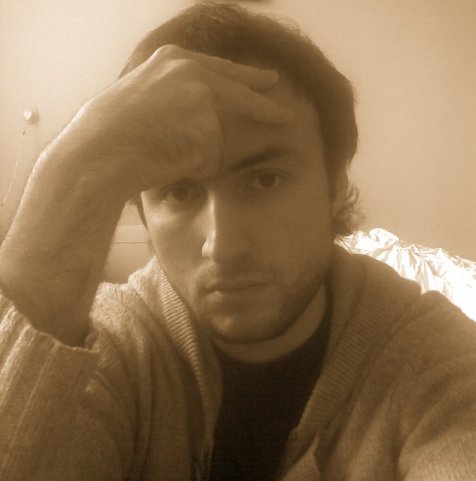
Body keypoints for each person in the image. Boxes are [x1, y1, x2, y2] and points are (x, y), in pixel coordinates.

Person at [0, 3, 475, 480]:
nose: (222, 248)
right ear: (143, 212)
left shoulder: (432, 355)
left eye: (265, 180)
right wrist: (72, 169)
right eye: (180, 192)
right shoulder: (111, 349)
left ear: (335, 186)